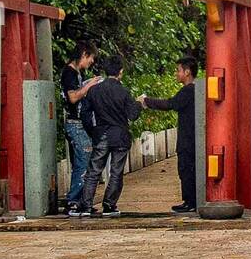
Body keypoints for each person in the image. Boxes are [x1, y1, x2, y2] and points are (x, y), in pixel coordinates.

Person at [77, 55, 141, 218]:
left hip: (101, 133)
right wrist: (139, 103)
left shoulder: (94, 90)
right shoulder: (123, 92)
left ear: (106, 71)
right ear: (120, 72)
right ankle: (109, 205)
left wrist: (92, 131)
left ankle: (86, 206)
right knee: (116, 171)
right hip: (119, 135)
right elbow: (132, 115)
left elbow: (84, 113)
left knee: (94, 171)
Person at [139, 56, 198, 213]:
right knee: (187, 169)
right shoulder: (196, 89)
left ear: (187, 72)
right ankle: (190, 200)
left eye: (178, 70)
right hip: (192, 136)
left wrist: (147, 101)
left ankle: (190, 202)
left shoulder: (188, 91)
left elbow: (170, 104)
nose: (176, 73)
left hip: (188, 138)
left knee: (186, 169)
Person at [59, 41, 101, 216]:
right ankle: (73, 201)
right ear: (84, 54)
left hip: (81, 123)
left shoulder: (76, 73)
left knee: (85, 160)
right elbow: (73, 97)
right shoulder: (68, 73)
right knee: (83, 161)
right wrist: (89, 86)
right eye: (90, 59)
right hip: (75, 123)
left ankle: (82, 200)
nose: (90, 63)